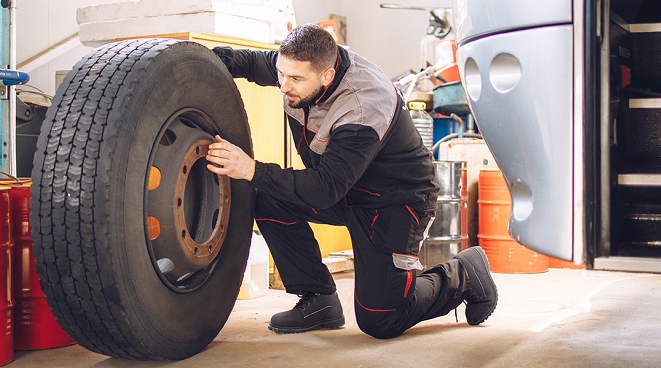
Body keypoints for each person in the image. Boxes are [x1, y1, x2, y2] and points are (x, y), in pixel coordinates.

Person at [205, 24, 497, 339]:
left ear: (327, 76)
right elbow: (248, 62)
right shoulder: (297, 68)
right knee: (267, 196)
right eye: (281, 74)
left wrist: (251, 168)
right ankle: (319, 300)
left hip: (393, 204)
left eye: (296, 79)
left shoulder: (363, 105)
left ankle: (464, 273)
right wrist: (193, 58)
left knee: (381, 319)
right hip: (346, 190)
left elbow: (322, 190)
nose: (283, 86)